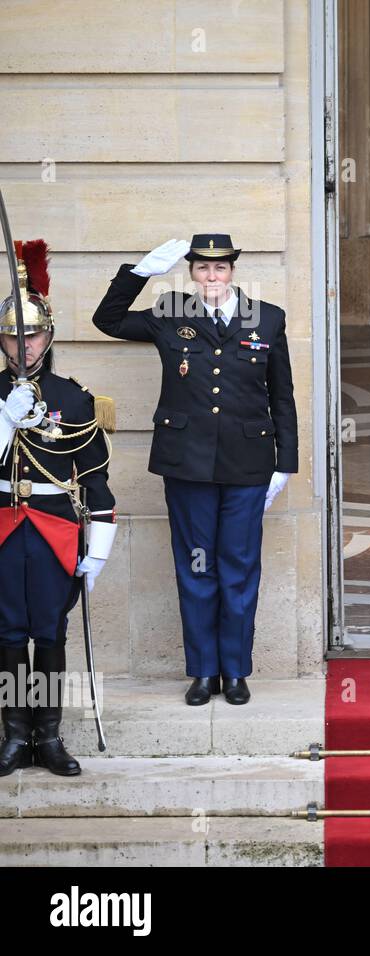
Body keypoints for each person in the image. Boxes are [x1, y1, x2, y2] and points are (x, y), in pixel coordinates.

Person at [91, 235, 297, 706]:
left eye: (219, 268)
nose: (211, 277)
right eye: (202, 269)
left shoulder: (268, 318)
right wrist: (139, 272)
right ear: (190, 273)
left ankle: (236, 671)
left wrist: (285, 463)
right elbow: (108, 321)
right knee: (196, 566)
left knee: (239, 568)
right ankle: (203, 671)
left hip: (248, 465)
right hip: (187, 464)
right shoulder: (171, 314)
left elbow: (281, 395)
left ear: (232, 271)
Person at [0, 240, 117, 777]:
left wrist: (98, 548)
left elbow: (94, 476)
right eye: (13, 335)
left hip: (53, 529)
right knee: (5, 633)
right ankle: (13, 734)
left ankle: (48, 736)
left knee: (48, 631)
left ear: (49, 335)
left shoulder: (72, 397)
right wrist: (6, 420)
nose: (24, 345)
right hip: (2, 527)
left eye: (33, 334)